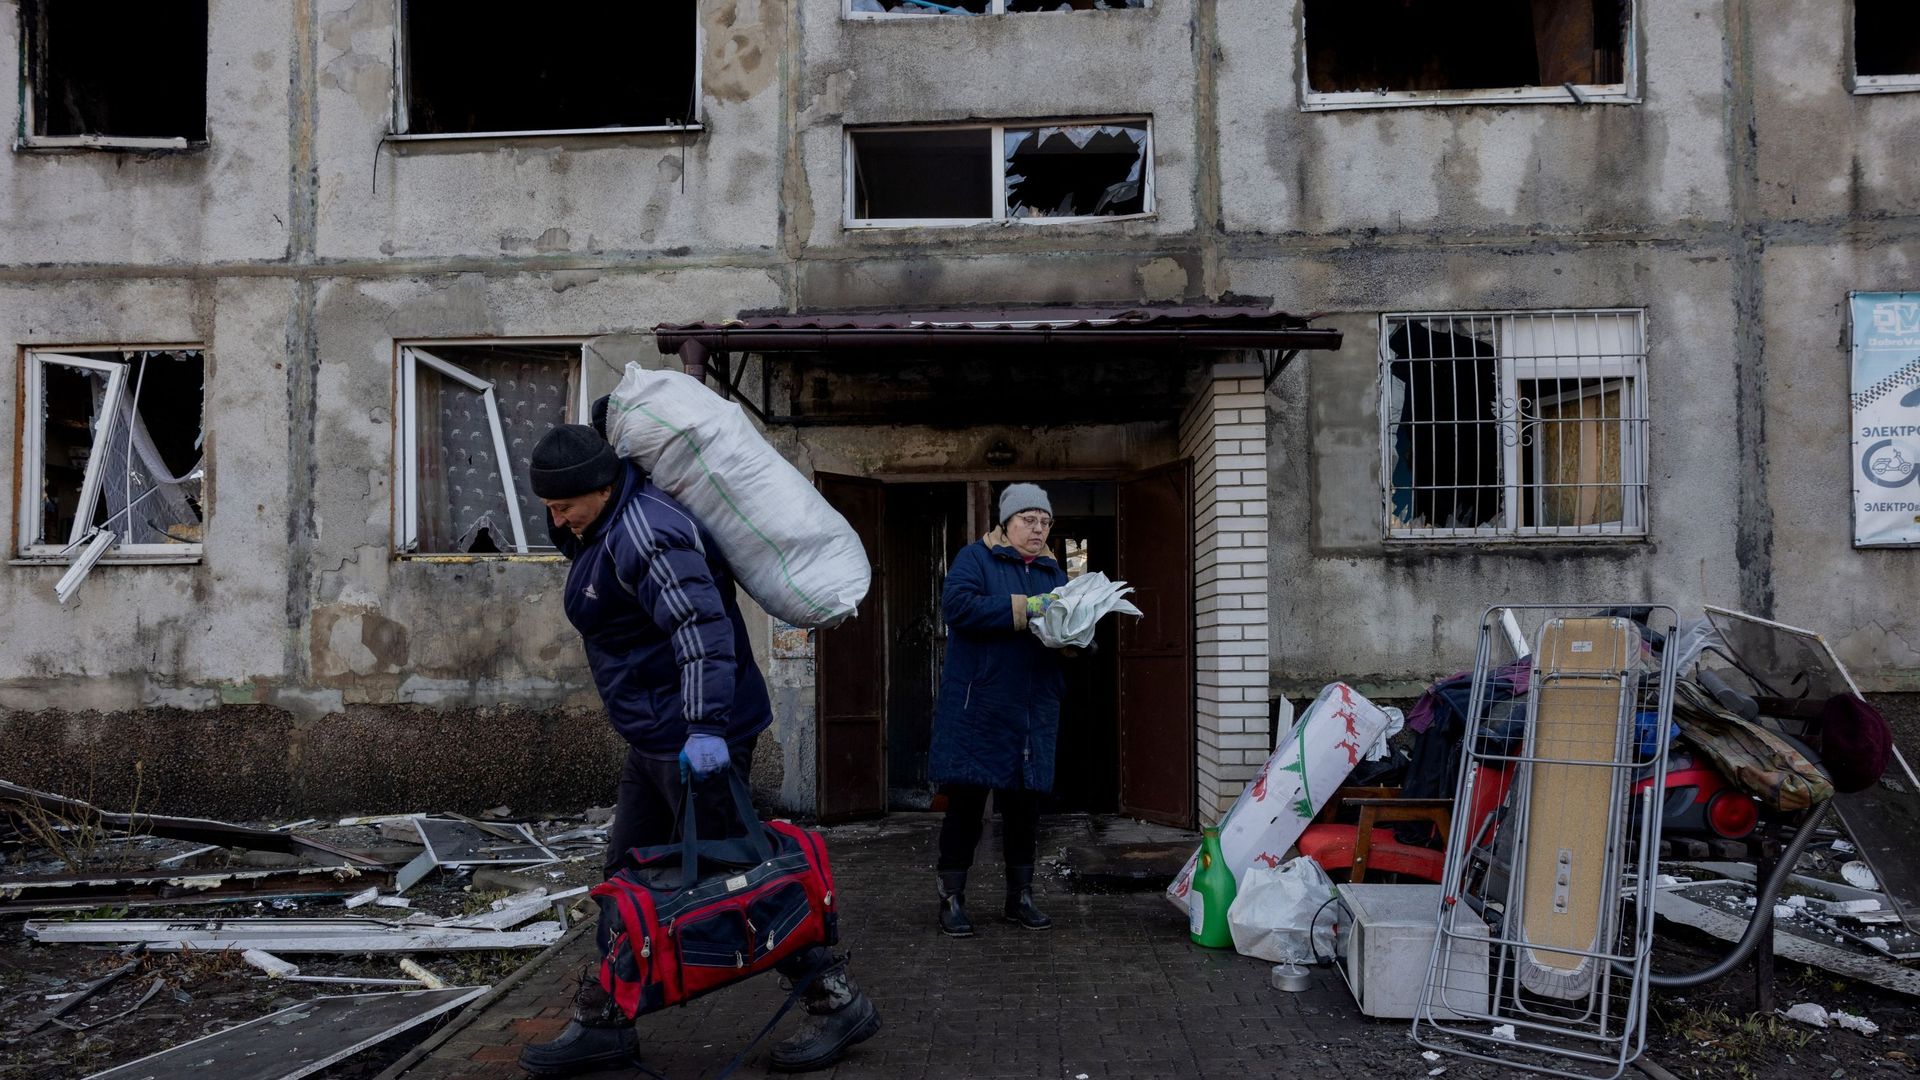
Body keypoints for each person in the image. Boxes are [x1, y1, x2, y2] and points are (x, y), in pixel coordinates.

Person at [517, 423, 880, 1076]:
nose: (555, 517)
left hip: (693, 741)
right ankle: (606, 1020)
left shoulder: (648, 531)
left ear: (601, 488)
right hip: (655, 737)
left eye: (563, 503)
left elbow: (701, 626)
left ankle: (836, 999)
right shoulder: (599, 524)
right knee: (625, 875)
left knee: (745, 880)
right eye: (547, 505)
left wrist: (707, 727)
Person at [927, 482, 1070, 937]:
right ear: (1006, 523)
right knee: (966, 804)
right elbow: (959, 607)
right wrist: (1027, 608)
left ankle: (1020, 898)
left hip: (1032, 706)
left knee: (1025, 807)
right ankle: (952, 898)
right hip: (980, 706)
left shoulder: (1052, 570)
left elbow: (1069, 620)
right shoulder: (976, 558)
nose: (1038, 528)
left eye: (1045, 521)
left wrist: (1078, 637)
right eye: (1029, 520)